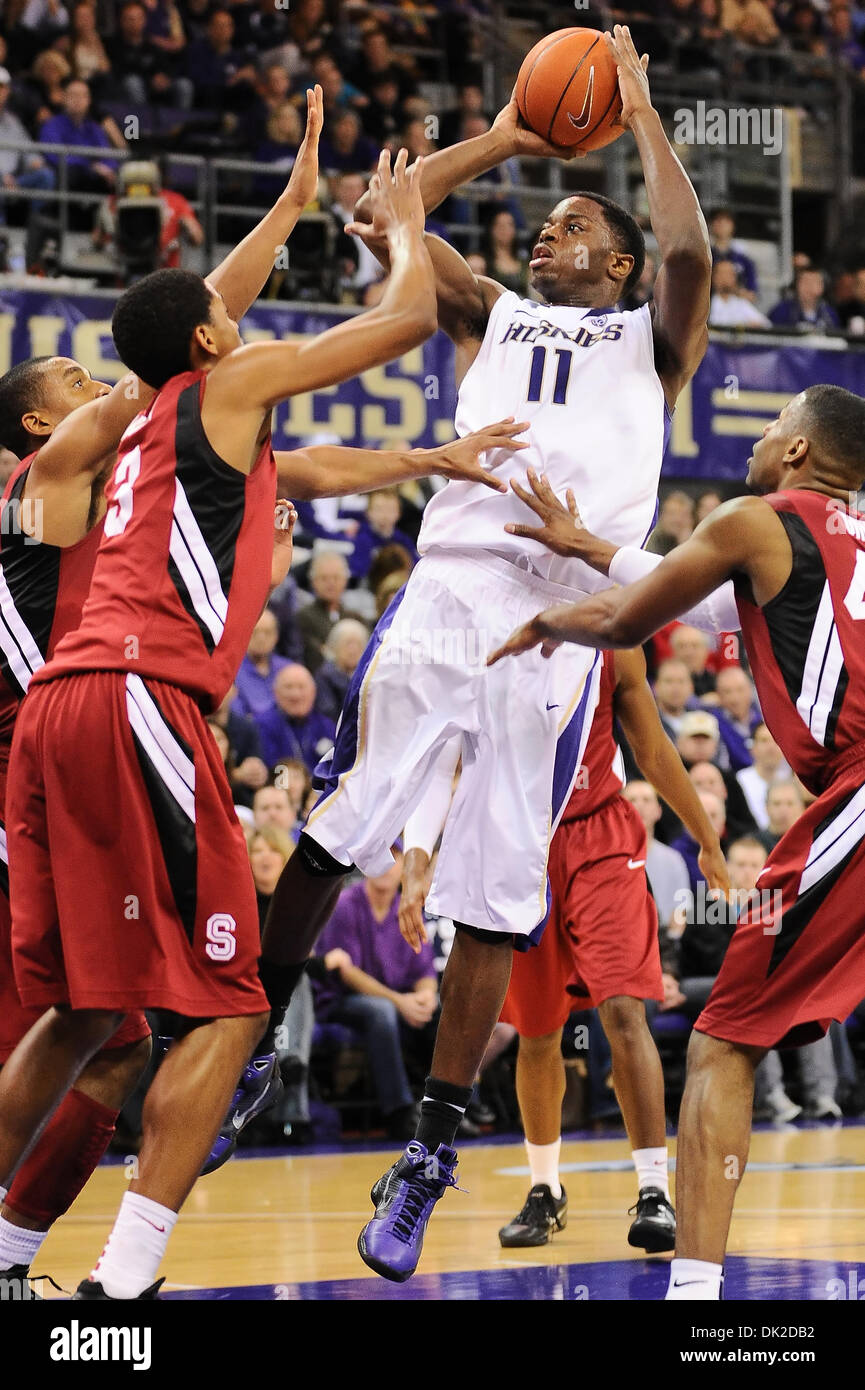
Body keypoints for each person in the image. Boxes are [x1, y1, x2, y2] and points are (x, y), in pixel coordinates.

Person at [0, 106, 509, 1300]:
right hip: (138, 699)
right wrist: (404, 225)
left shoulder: (113, 438)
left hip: (57, 717)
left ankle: (9, 1252)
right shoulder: (200, 394)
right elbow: (408, 319)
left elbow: (251, 407)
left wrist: (280, 216)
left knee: (87, 1014)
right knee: (231, 1002)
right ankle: (126, 1281)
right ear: (219, 340)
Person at [255, 24, 712, 1284]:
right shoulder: (492, 310)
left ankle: (432, 1147)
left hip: (558, 625)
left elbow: (687, 248)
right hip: (450, 585)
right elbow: (373, 216)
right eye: (543, 223)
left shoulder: (652, 342)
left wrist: (639, 108)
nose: (543, 237)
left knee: (497, 893)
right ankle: (255, 1027)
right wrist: (514, 132)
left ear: (612, 259)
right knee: (339, 824)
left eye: (568, 224)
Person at [487, 381, 865, 1301]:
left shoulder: (758, 516)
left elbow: (633, 620)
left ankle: (694, 1300)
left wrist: (551, 615)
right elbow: (715, 611)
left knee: (723, 1039)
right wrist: (587, 545)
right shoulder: (833, 547)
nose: (761, 434)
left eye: (772, 424)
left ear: (796, 455)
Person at [400, 646, 728, 1251]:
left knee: (625, 1009)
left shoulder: (611, 639)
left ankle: (655, 1189)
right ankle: (545, 1188)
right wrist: (419, 854)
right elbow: (446, 759)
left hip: (602, 835)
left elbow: (653, 746)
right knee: (539, 1029)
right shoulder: (490, 637)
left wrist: (706, 840)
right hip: (523, 842)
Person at [315, 848, 438, 1141]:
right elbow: (348, 972)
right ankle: (399, 1113)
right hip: (341, 1000)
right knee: (380, 1012)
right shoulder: (345, 903)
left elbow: (424, 972)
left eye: (395, 858)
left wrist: (427, 996)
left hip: (396, 1001)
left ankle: (448, 1108)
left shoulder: (407, 908)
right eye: (381, 856)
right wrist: (400, 1003)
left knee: (440, 1013)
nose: (387, 865)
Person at [709, 259, 771, 328]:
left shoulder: (741, 303)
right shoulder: (707, 302)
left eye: (730, 274)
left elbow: (766, 325)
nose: (726, 278)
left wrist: (749, 325)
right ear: (714, 277)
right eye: (722, 274)